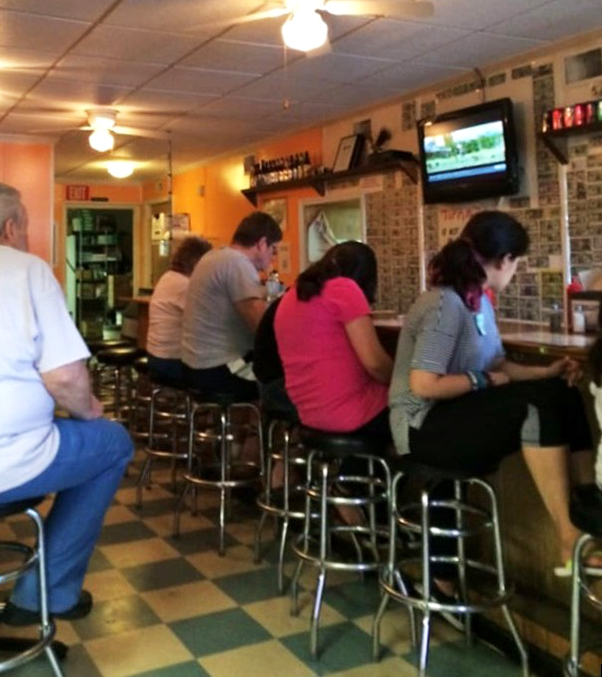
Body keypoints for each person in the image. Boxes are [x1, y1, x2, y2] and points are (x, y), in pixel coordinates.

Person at [0, 180, 134, 622]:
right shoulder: (27, 270)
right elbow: (65, 378)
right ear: (11, 226)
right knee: (112, 443)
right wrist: (91, 412)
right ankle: (45, 593)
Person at [388, 210, 594, 587]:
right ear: (505, 260)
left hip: (453, 415)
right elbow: (424, 385)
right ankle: (568, 537)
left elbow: (498, 363)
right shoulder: (443, 304)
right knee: (534, 406)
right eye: (517, 263)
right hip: (421, 428)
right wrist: (483, 379)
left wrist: (546, 372)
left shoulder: (476, 301)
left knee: (559, 393)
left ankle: (588, 512)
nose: (514, 272)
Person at [273, 241, 393, 450]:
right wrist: (404, 380)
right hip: (350, 413)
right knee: (421, 414)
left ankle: (356, 479)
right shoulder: (344, 289)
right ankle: (388, 481)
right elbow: (375, 364)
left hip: (308, 414)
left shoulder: (290, 296)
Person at [181, 211, 282, 401]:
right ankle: (264, 430)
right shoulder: (237, 263)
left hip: (193, 366)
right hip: (218, 371)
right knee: (283, 382)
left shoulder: (212, 257)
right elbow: (260, 328)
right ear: (261, 244)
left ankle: (245, 428)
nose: (273, 257)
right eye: (273, 249)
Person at [146, 235, 212, 384]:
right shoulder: (185, 285)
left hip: (156, 358)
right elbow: (209, 318)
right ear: (197, 262)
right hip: (172, 362)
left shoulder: (168, 277)